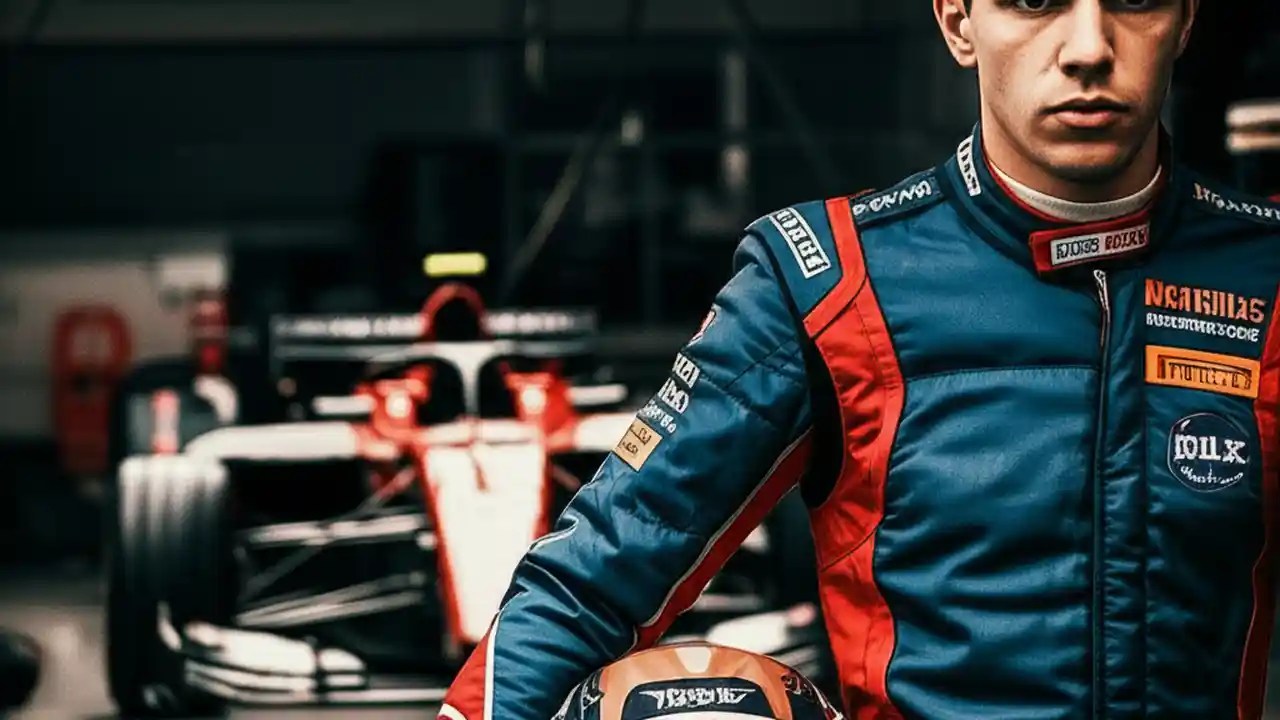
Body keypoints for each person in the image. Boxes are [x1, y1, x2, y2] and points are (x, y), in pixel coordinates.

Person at [439, 0, 1280, 717]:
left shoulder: (1267, 274)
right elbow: (593, 580)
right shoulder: (825, 278)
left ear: (1185, 21)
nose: (1089, 46)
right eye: (1033, 0)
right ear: (958, 20)